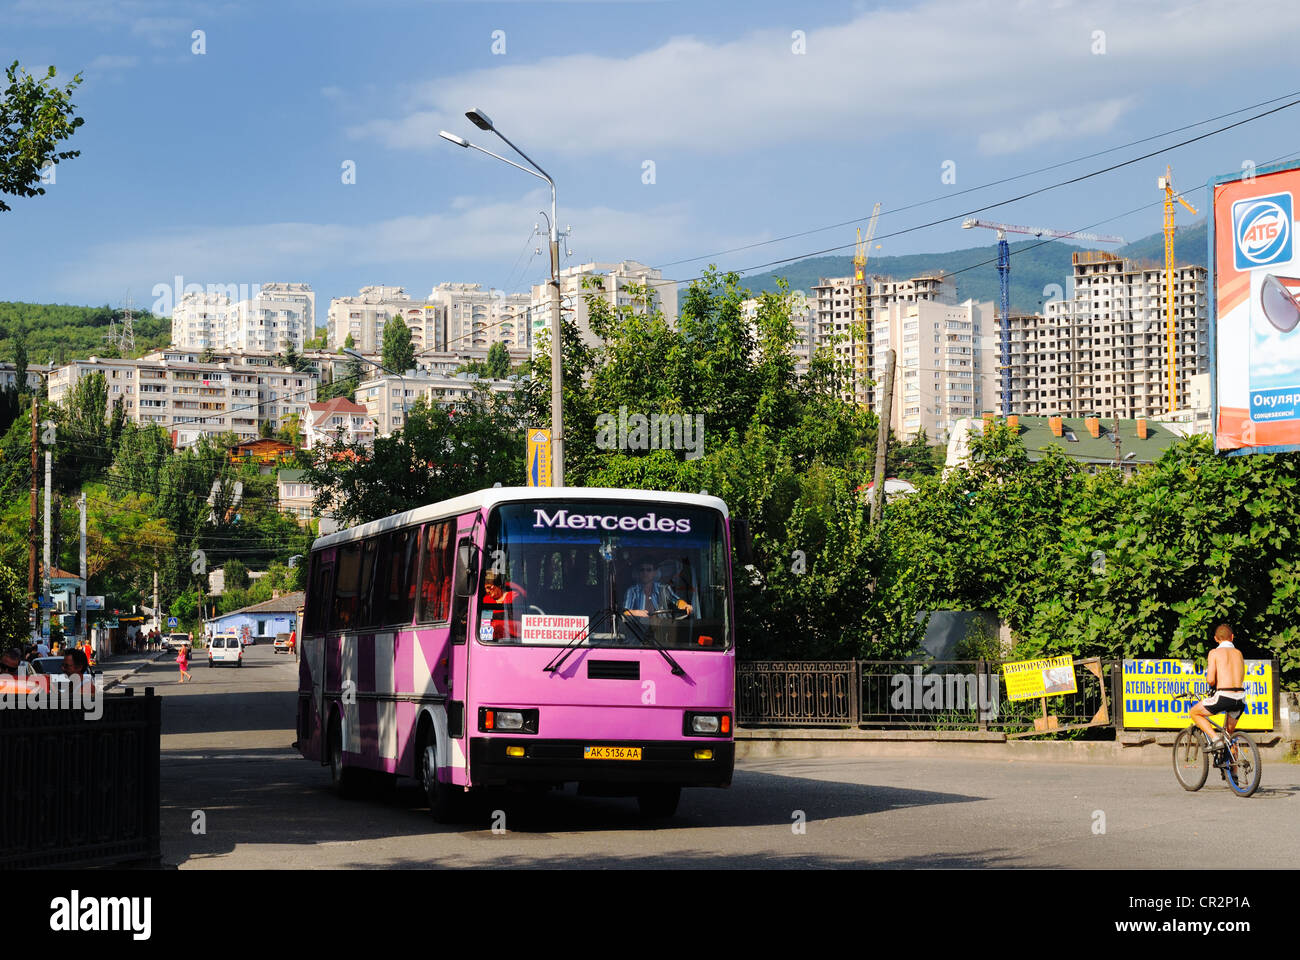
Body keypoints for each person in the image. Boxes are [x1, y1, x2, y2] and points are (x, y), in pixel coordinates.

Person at [1189, 623, 1248, 750]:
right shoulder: (1239, 653)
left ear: (1216, 639)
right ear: (1232, 637)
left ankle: (1215, 740)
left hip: (1224, 696)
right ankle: (1234, 769)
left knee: (1194, 712)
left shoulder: (1214, 653)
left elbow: (1210, 680)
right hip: (1241, 698)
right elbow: (1241, 677)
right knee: (1228, 736)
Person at [623, 558, 692, 619]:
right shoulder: (632, 591)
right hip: (640, 630)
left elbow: (677, 600)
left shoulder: (664, 589)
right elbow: (625, 612)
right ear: (638, 573)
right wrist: (636, 612)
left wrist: (685, 605)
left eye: (649, 570)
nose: (645, 573)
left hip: (663, 629)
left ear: (655, 573)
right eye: (642, 570)